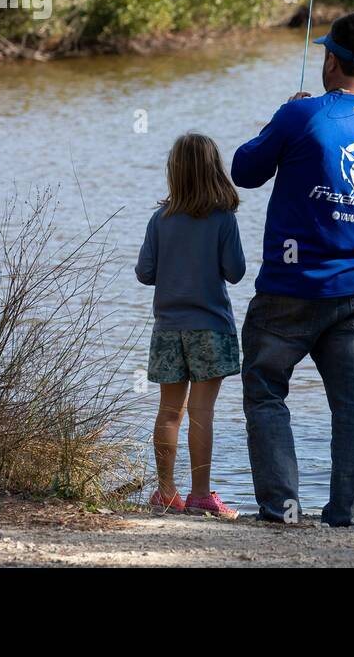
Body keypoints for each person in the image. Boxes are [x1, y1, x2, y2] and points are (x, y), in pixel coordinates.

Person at [232, 12, 354, 526]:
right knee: (351, 408)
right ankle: (343, 516)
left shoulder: (300, 117)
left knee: (267, 392)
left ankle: (282, 510)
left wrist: (281, 119)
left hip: (287, 292)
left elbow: (243, 171)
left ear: (331, 60)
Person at [136, 132, 246, 519]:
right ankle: (200, 495)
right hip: (210, 329)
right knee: (202, 414)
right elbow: (236, 272)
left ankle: (166, 492)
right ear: (214, 171)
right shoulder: (223, 220)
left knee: (169, 412)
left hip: (168, 329)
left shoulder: (159, 220)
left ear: (174, 172)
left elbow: (145, 273)